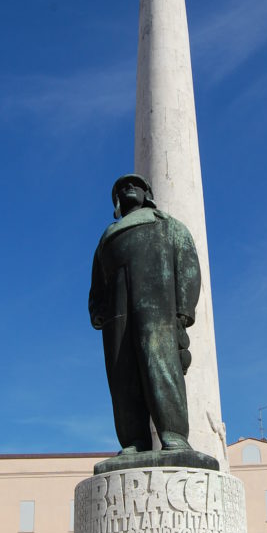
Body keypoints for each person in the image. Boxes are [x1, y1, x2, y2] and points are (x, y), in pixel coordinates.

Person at [89, 174, 201, 453]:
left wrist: (184, 309)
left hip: (158, 309)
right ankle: (133, 441)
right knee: (122, 373)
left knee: (160, 364)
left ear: (146, 193)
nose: (128, 188)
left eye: (134, 185)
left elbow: (188, 265)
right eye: (121, 187)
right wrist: (98, 309)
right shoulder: (108, 237)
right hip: (117, 314)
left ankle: (174, 434)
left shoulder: (168, 225)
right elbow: (97, 280)